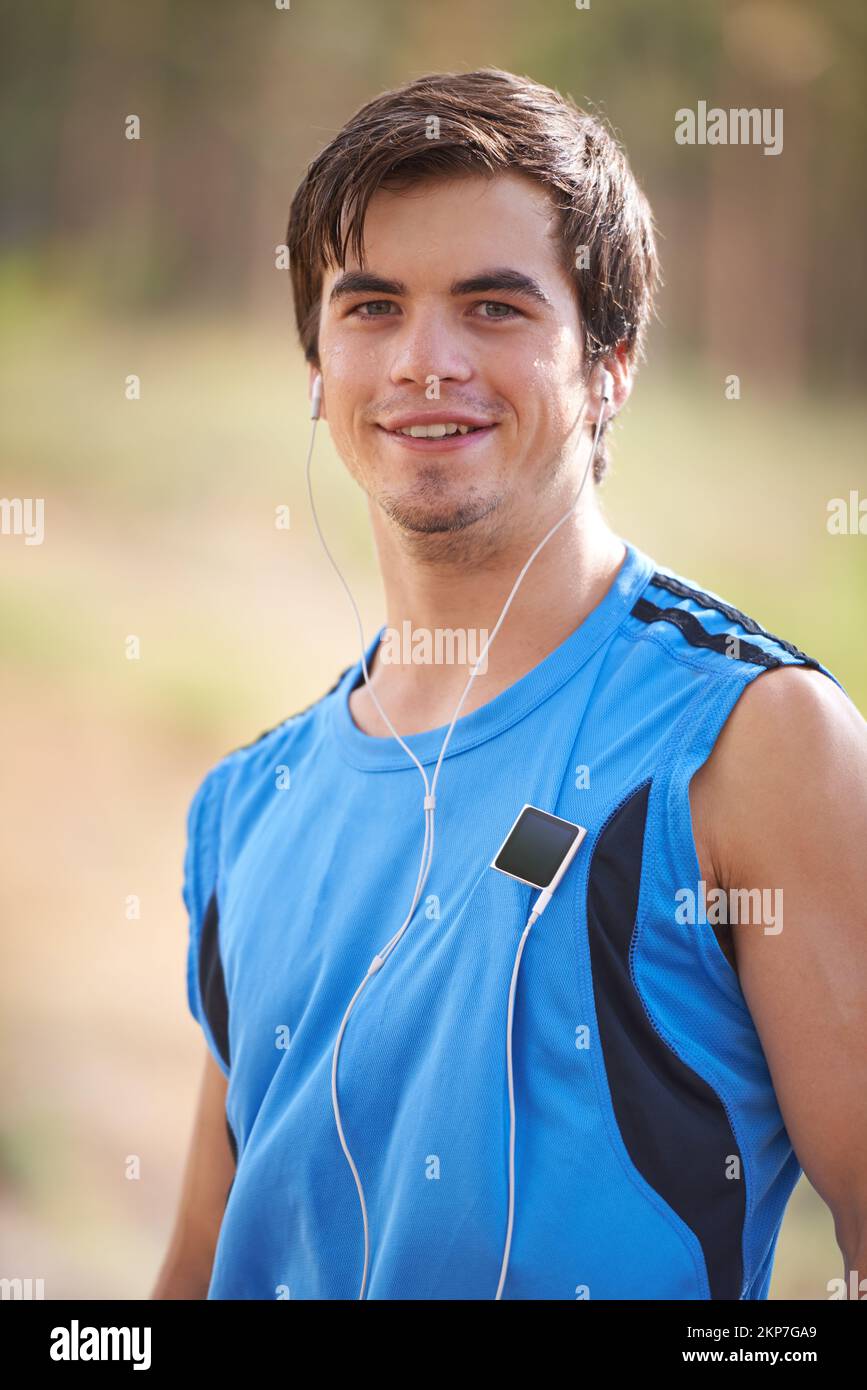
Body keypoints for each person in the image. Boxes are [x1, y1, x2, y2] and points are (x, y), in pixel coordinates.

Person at [153, 68, 867, 1301]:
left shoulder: (758, 745)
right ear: (317, 364)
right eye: (372, 307)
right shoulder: (246, 805)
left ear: (611, 363)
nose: (426, 362)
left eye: (493, 307)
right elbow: (202, 1272)